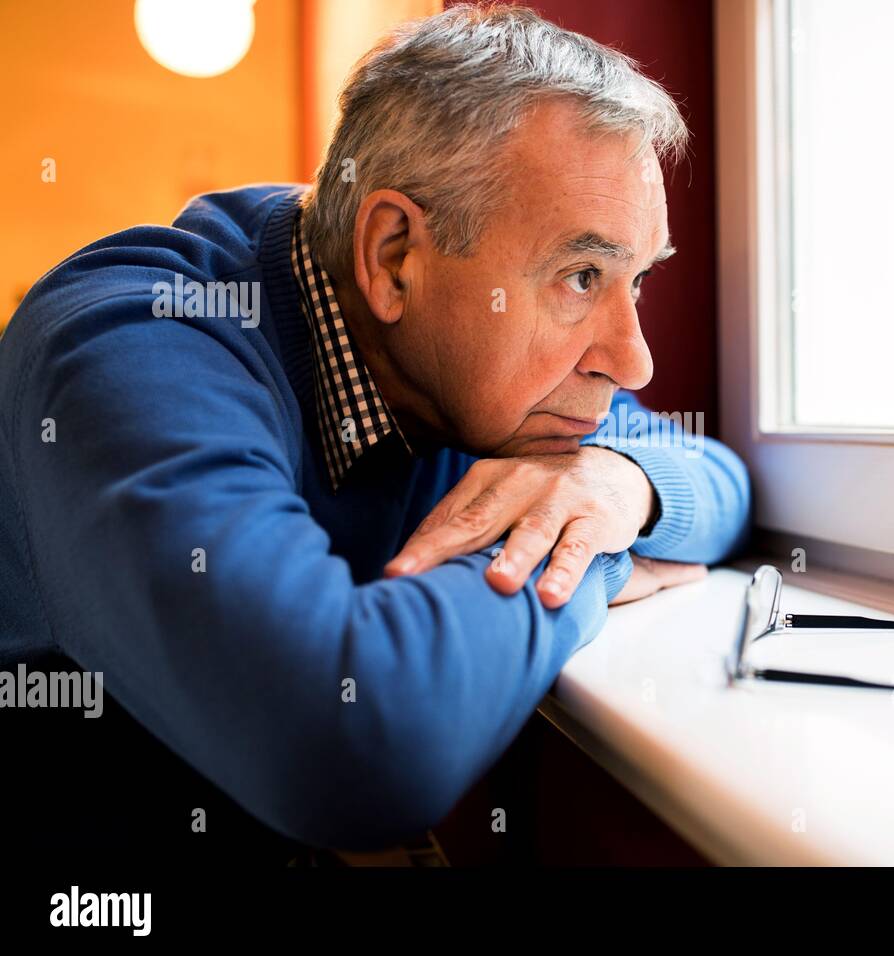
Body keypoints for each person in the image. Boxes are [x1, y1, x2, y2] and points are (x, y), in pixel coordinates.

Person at [0, 4, 750, 858]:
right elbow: (357, 740)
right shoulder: (135, 348)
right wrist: (587, 552)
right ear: (395, 255)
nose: (636, 360)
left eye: (637, 280)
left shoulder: (480, 375)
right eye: (582, 276)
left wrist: (618, 486)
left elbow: (708, 472)